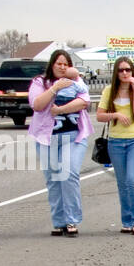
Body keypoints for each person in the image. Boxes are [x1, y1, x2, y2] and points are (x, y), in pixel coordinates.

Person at [28, 49, 92, 237]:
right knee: (54, 179)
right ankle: (59, 222)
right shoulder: (40, 83)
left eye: (66, 64)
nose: (62, 67)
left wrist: (60, 110)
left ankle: (72, 221)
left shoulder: (76, 82)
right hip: (47, 139)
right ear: (52, 65)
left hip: (74, 137)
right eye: (59, 64)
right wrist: (55, 88)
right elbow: (38, 105)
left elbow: (84, 102)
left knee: (69, 173)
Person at [97, 56, 134, 235]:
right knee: (122, 183)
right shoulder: (109, 91)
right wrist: (116, 116)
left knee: (133, 180)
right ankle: (127, 221)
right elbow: (100, 116)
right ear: (116, 73)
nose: (125, 73)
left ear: (133, 72)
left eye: (128, 70)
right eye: (121, 70)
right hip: (115, 142)